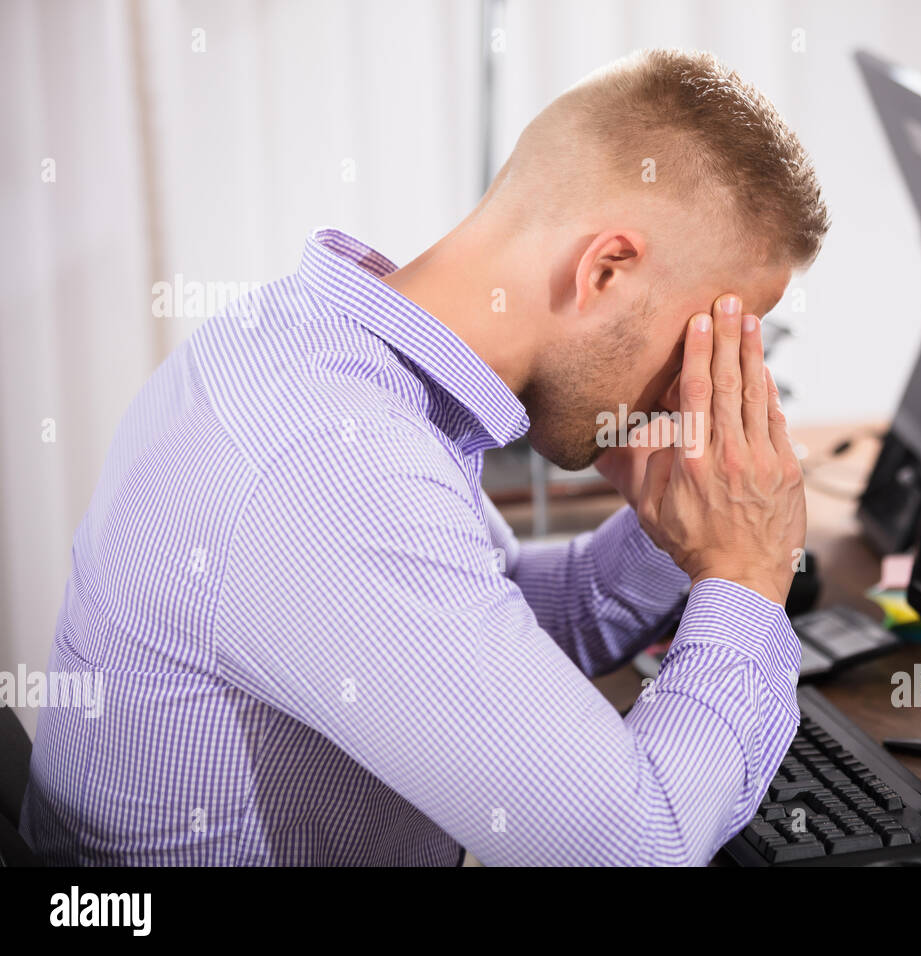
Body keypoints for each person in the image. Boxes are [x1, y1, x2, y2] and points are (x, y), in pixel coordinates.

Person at [21, 48, 830, 865]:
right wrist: (749, 575)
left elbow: (498, 627)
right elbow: (636, 848)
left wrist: (677, 533)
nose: (705, 385)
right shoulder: (332, 462)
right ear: (606, 271)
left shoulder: (323, 348)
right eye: (713, 337)